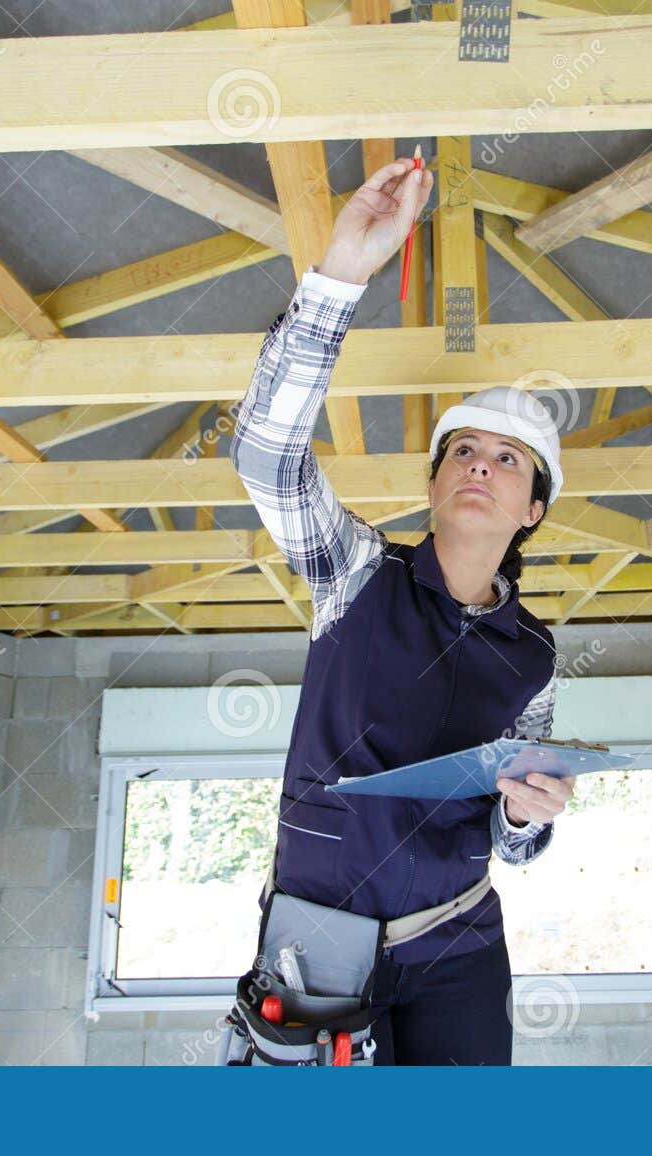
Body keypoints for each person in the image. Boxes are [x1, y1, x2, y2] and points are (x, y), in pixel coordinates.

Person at [228, 156, 574, 1066]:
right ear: (431, 480)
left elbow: (517, 842)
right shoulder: (356, 573)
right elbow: (267, 458)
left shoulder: (534, 656)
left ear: (532, 507)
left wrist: (530, 817)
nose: (479, 465)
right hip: (319, 950)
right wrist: (342, 269)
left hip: (460, 945)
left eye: (508, 458)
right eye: (462, 448)